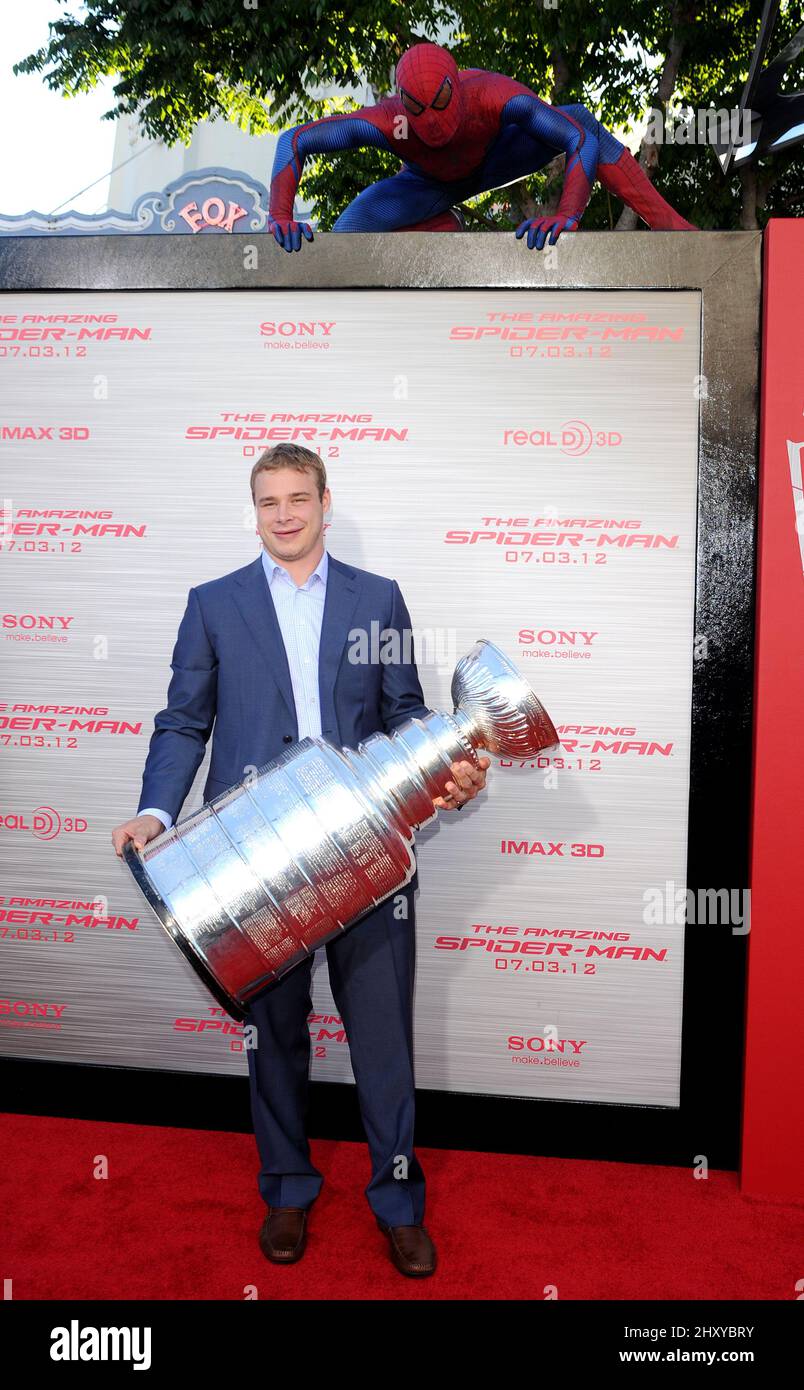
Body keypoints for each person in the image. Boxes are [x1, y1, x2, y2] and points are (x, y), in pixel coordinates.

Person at [112, 442, 489, 1277]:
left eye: (298, 498)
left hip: (367, 852)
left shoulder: (376, 599)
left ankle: (398, 1204)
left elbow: (405, 713)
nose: (284, 514)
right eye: (268, 501)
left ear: (324, 502)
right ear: (254, 511)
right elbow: (184, 721)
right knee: (274, 1036)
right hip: (255, 862)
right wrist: (154, 811)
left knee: (383, 1040)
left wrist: (446, 773)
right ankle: (286, 1191)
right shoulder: (212, 604)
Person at [267, 39, 695, 253]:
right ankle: (442, 226)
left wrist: (567, 215)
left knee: (579, 120)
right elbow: (294, 140)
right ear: (402, 103)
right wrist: (280, 217)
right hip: (428, 184)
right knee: (345, 238)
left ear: (457, 87)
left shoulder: (492, 94)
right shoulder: (386, 120)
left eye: (441, 102)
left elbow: (577, 137)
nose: (434, 123)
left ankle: (674, 228)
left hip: (496, 159)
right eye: (419, 109)